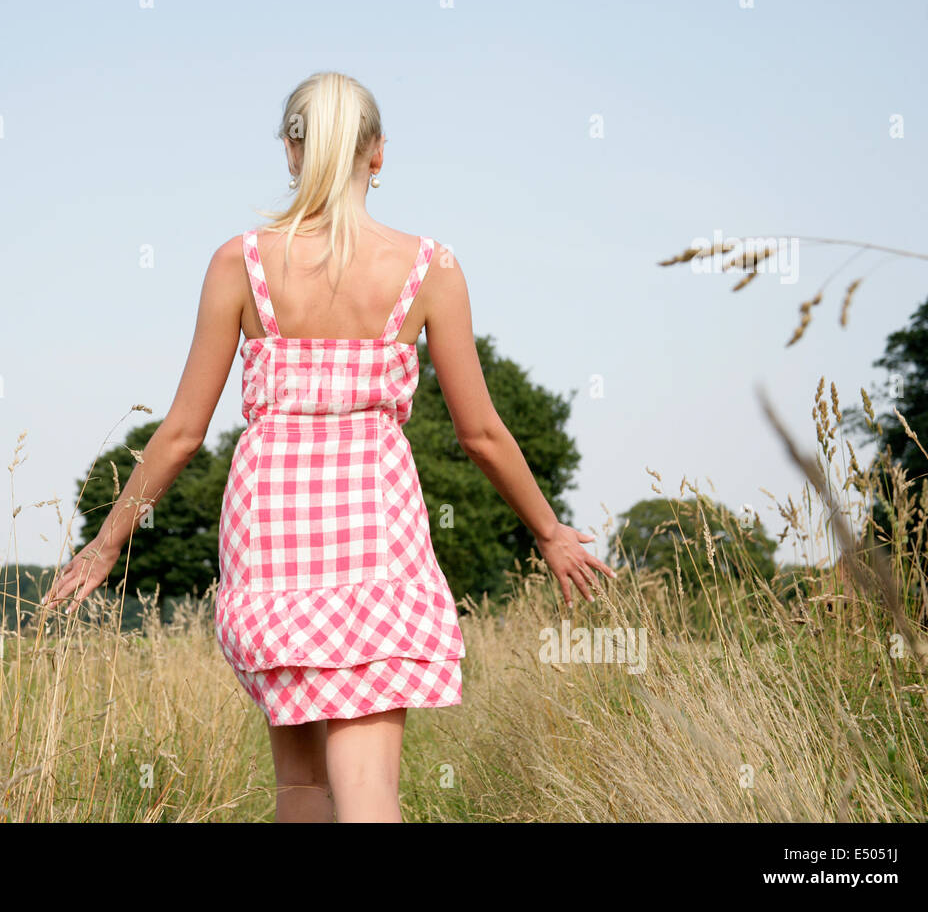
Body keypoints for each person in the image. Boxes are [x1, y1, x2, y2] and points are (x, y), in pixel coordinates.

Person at [44, 71, 615, 822]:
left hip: (273, 540)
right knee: (370, 788)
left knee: (302, 789)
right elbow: (480, 432)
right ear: (377, 155)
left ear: (292, 151)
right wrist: (549, 532)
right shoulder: (431, 269)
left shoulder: (238, 263)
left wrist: (105, 545)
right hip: (376, 535)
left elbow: (182, 431)